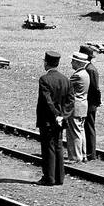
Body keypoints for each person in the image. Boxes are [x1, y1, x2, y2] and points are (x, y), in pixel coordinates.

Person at [37, 50, 72, 186]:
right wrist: (63, 116)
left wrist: (56, 115)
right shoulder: (65, 80)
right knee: (58, 146)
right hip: (61, 120)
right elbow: (70, 101)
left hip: (47, 119)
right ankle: (59, 177)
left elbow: (48, 101)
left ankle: (49, 177)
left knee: (48, 148)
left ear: (46, 63)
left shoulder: (44, 79)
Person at [66, 51, 90, 164]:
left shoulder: (77, 75)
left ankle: (75, 157)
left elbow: (66, 86)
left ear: (78, 62)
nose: (71, 63)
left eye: (73, 61)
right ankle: (83, 154)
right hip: (83, 106)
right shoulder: (86, 74)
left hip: (75, 107)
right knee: (81, 131)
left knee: (73, 133)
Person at [80, 43, 101, 160]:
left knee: (89, 127)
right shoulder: (88, 68)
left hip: (90, 102)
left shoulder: (90, 70)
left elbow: (94, 88)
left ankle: (91, 153)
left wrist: (93, 103)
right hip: (89, 102)